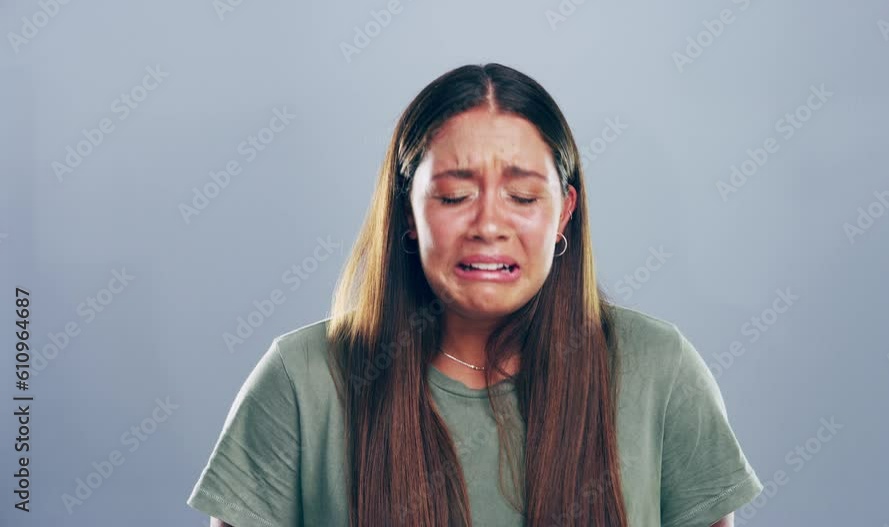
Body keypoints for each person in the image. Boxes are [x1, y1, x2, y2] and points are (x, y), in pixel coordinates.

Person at [186, 62, 763, 526]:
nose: (489, 224)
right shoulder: (301, 381)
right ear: (407, 212)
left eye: (522, 196)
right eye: (455, 195)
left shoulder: (657, 369)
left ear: (563, 212)